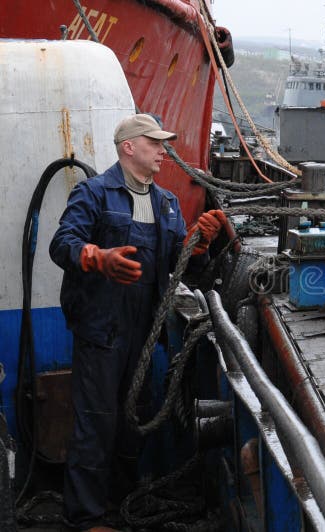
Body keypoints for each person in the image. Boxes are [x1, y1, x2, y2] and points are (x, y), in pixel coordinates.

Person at [49, 113, 227, 531]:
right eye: (155, 143)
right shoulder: (93, 194)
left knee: (134, 422)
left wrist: (200, 243)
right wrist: (98, 258)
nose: (163, 151)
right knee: (95, 423)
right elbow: (63, 243)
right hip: (101, 331)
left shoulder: (165, 202)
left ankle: (123, 505)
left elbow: (177, 265)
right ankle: (85, 518)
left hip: (145, 332)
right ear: (129, 146)